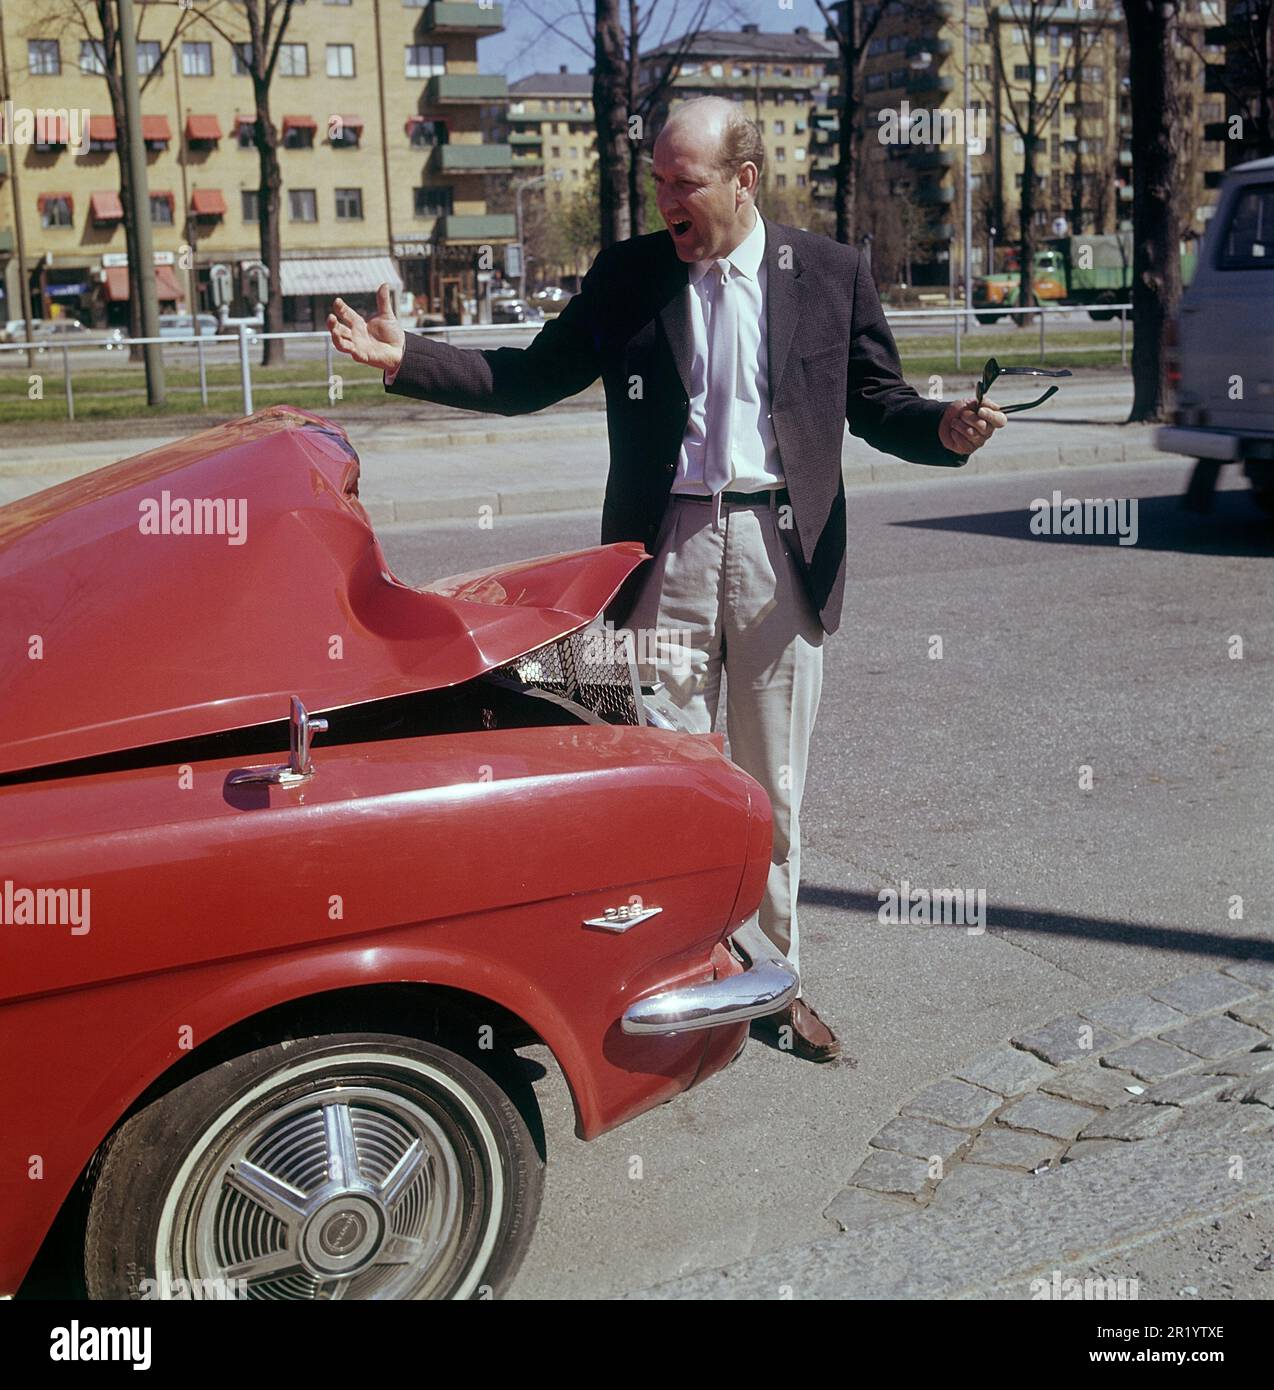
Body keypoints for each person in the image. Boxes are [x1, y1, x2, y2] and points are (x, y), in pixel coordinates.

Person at [328, 96, 1007, 1063]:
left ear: (743, 179)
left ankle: (769, 984)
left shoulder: (825, 272)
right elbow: (532, 375)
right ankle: (682, 972)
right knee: (667, 783)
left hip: (783, 554)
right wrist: (411, 359)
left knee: (770, 792)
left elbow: (876, 400)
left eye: (681, 183)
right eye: (656, 182)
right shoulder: (631, 275)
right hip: (662, 551)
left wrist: (941, 428)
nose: (665, 201)